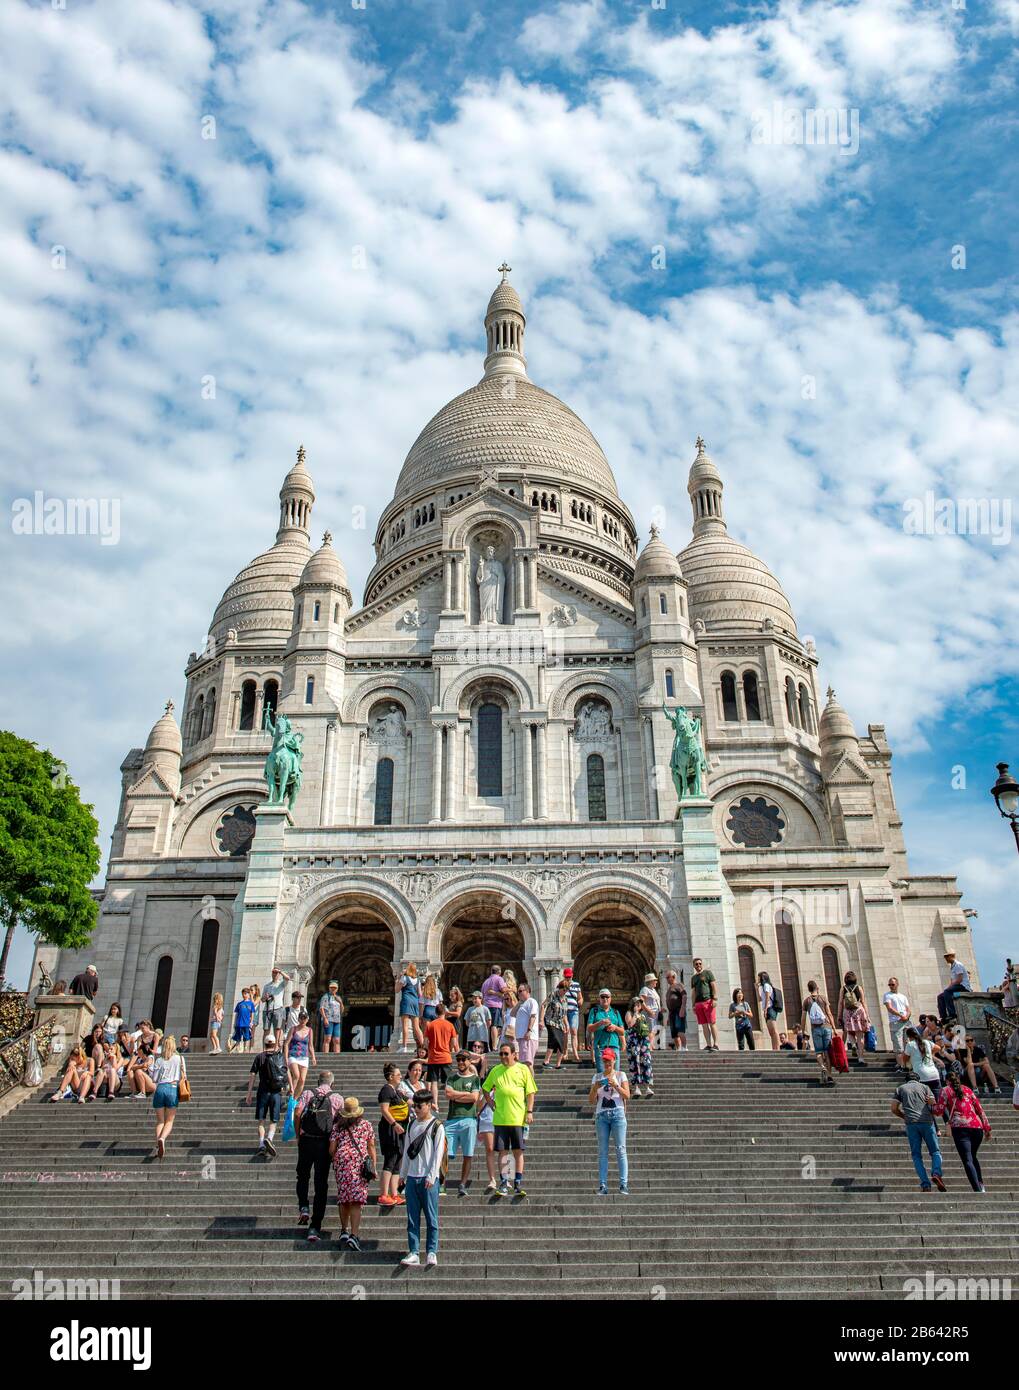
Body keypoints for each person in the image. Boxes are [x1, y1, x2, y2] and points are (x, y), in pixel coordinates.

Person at [479, 1040, 537, 1198]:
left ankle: (517, 1182)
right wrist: (490, 1103)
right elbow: (485, 1088)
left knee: (518, 1151)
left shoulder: (523, 1069)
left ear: (514, 1054)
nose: (503, 1056)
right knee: (503, 1152)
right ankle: (504, 1182)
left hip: (518, 1118)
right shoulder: (496, 1070)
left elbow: (530, 1092)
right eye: (501, 1054)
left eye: (506, 1053)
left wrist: (529, 1112)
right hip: (500, 1119)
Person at [399, 1090, 447, 1267]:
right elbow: (406, 1151)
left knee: (431, 1217)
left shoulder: (437, 1126)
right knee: (412, 1218)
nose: (416, 1109)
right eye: (415, 1106)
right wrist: (402, 1174)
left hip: (428, 1178)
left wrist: (433, 1175)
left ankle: (432, 1251)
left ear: (429, 1105)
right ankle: (414, 1251)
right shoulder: (411, 1125)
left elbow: (438, 1153)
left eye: (419, 1106)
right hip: (412, 1176)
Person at [294, 1069, 343, 1242]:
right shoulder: (337, 1098)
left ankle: (303, 1207)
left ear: (318, 1081)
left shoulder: (307, 1093)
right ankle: (315, 1226)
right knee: (321, 1183)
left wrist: (298, 1135)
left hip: (306, 1140)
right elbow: (341, 1122)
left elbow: (298, 1113)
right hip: (325, 1143)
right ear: (332, 1083)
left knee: (302, 1175)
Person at [329, 1097, 377, 1251]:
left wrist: (338, 1158)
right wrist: (374, 1166)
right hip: (359, 1163)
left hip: (342, 1162)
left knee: (344, 1197)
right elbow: (371, 1147)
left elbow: (331, 1149)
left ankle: (344, 1230)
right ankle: (354, 1235)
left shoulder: (337, 1127)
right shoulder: (366, 1125)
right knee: (356, 1200)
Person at [936, 1061, 992, 1192]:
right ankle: (981, 1185)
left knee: (967, 1159)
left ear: (946, 1080)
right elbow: (980, 1109)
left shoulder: (945, 1091)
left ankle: (977, 1189)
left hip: (960, 1128)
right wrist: (987, 1128)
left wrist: (930, 1103)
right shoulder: (967, 1090)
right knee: (973, 1156)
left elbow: (938, 1111)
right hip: (977, 1127)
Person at [891, 1075, 946, 1191]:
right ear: (918, 1080)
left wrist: (904, 1116)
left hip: (911, 1124)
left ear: (906, 1080)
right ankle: (936, 1173)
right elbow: (932, 1102)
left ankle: (925, 1184)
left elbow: (894, 1108)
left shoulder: (900, 1089)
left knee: (916, 1155)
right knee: (935, 1152)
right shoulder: (925, 1087)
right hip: (927, 1122)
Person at [589, 1047, 630, 1195]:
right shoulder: (596, 1077)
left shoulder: (621, 1075)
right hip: (601, 1116)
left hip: (618, 1114)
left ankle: (623, 1184)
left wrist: (616, 1085)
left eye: (609, 1060)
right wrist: (595, 1088)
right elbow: (591, 1100)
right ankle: (602, 1185)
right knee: (603, 1152)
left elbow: (627, 1095)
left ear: (614, 1060)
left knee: (621, 1149)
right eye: (604, 1060)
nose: (607, 1063)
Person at [245, 1033, 288, 1159]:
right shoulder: (279, 1057)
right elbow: (286, 1072)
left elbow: (252, 1075)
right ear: (274, 1044)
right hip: (276, 1092)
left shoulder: (259, 1057)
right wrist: (289, 1087)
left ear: (264, 1044)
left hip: (263, 1092)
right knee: (274, 1120)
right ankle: (269, 1138)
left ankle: (261, 1145)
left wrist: (249, 1093)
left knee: (261, 1120)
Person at [444, 1051, 481, 1197]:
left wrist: (456, 1095)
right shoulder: (451, 1078)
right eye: (458, 1059)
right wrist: (465, 1095)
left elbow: (474, 1098)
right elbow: (448, 1095)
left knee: (468, 1154)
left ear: (469, 1061)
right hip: (452, 1119)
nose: (460, 1062)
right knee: (444, 1153)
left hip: (469, 1119)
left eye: (463, 1060)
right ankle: (442, 1184)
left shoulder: (475, 1079)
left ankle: (462, 1184)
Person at [150, 1034, 186, 1159]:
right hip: (172, 1088)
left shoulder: (159, 1060)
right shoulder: (179, 1058)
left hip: (160, 1088)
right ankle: (162, 1138)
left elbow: (154, 1078)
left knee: (160, 1121)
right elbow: (184, 1077)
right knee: (169, 1121)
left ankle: (157, 1145)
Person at [377, 1062, 408, 1207]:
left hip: (400, 1129)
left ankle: (394, 1193)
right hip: (391, 1129)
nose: (400, 1076)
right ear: (390, 1077)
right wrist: (394, 1124)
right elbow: (384, 1110)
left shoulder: (397, 1091)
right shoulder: (386, 1090)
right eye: (397, 1074)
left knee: (398, 1162)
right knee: (391, 1159)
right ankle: (383, 1194)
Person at [801, 981, 837, 1085]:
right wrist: (834, 1028)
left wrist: (803, 1031)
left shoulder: (806, 1001)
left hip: (815, 1029)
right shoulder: (823, 998)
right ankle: (830, 1076)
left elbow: (803, 1018)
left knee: (818, 1052)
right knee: (827, 1052)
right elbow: (829, 1013)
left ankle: (822, 1067)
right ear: (817, 987)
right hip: (826, 1027)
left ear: (809, 989)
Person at [424, 1001, 459, 1110]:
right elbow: (454, 1041)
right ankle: (451, 1103)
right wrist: (450, 1049)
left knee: (434, 1082)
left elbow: (425, 1042)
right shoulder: (450, 1025)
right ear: (445, 1012)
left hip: (433, 1057)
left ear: (436, 1012)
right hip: (445, 1056)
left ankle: (436, 1104)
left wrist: (430, 1048)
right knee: (449, 1082)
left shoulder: (430, 1025)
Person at [587, 988, 625, 1076]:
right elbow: (589, 1029)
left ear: (610, 998)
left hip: (614, 1046)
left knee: (615, 1076)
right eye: (602, 997)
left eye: (607, 997)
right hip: (600, 1047)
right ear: (599, 999)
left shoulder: (616, 1012)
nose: (605, 999)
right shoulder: (594, 1011)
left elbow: (623, 1032)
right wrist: (600, 1023)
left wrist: (614, 1027)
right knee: (602, 1075)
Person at [902, 1026, 943, 1103]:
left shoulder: (910, 1044)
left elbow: (905, 1058)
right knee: (938, 1102)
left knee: (923, 1102)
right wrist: (930, 1053)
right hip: (934, 1074)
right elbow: (938, 1048)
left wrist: (904, 1065)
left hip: (921, 1075)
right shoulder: (926, 1042)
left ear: (909, 1036)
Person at [837, 971, 870, 1066]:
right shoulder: (859, 988)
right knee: (860, 1036)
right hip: (859, 1011)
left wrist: (839, 1016)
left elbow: (840, 1003)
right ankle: (861, 1058)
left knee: (850, 1032)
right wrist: (867, 1015)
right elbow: (863, 1002)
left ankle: (853, 1044)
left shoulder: (843, 989)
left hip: (848, 1012)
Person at [624, 995, 655, 1094]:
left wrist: (650, 1043)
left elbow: (646, 1029)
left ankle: (647, 1086)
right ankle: (636, 1086)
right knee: (635, 1061)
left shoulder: (643, 1016)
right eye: (636, 1003)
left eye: (639, 1003)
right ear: (632, 1004)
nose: (638, 1005)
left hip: (643, 1041)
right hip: (633, 1040)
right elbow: (630, 1024)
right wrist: (635, 1014)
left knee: (646, 1061)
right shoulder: (629, 1013)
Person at [285, 1010, 316, 1098]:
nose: (303, 1020)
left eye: (304, 1018)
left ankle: (294, 1099)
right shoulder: (293, 1029)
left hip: (304, 1056)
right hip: (293, 1055)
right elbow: (287, 1043)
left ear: (307, 1019)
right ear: (298, 1019)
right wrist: (286, 1057)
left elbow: (310, 1045)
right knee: (296, 1075)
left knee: (302, 1080)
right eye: (301, 1018)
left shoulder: (310, 1030)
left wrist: (313, 1057)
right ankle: (291, 1094)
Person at [690, 958, 719, 1051]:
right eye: (696, 964)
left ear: (702, 964)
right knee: (704, 1025)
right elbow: (693, 992)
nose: (698, 965)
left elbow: (713, 985)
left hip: (708, 1001)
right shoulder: (693, 978)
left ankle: (716, 1044)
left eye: (700, 964)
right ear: (694, 966)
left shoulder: (707, 973)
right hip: (698, 1003)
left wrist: (714, 998)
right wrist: (693, 1005)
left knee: (712, 1023)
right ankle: (709, 1044)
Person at [540, 979, 569, 1070]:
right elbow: (543, 1005)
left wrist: (566, 1024)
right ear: (559, 988)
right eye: (564, 989)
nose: (565, 992)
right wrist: (541, 1020)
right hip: (550, 1020)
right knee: (554, 1038)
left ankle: (557, 1064)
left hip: (559, 1023)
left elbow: (564, 1014)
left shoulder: (565, 999)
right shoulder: (553, 995)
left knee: (561, 1042)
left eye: (567, 990)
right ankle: (546, 1061)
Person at [937, 952, 972, 1022]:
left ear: (951, 956)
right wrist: (947, 989)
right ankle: (943, 1017)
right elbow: (952, 982)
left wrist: (948, 989)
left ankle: (952, 1014)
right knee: (940, 996)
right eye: (945, 957)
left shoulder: (958, 965)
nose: (945, 958)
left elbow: (959, 979)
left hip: (963, 987)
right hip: (957, 986)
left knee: (947, 992)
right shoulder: (952, 967)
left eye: (947, 956)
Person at [396, 963, 422, 1052]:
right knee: (416, 1027)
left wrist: (398, 977)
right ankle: (423, 1047)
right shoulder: (418, 980)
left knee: (405, 1025)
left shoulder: (404, 978)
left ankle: (404, 1046)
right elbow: (420, 994)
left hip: (406, 1001)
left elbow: (397, 990)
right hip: (415, 1002)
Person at [513, 981, 540, 1071]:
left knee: (527, 1063)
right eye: (518, 991)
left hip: (528, 1037)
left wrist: (529, 1031)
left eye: (521, 991)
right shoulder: (522, 1004)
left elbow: (533, 1016)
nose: (518, 993)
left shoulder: (532, 1001)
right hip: (521, 1037)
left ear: (527, 991)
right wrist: (519, 1002)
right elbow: (512, 1013)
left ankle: (531, 1085)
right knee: (524, 1064)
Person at [882, 978, 911, 1057]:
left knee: (908, 1044)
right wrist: (900, 1015)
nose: (891, 986)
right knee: (898, 1045)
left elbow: (908, 1009)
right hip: (895, 1021)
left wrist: (906, 1016)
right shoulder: (887, 995)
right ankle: (901, 1065)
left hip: (906, 1022)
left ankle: (907, 1065)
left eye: (893, 984)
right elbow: (889, 1008)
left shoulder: (903, 996)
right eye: (889, 985)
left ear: (897, 984)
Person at [262, 966, 291, 1043]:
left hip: (278, 1009)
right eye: (273, 972)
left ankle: (276, 1048)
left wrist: (280, 971)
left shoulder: (281, 984)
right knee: (266, 1030)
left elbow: (288, 978)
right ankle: (265, 1048)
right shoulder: (267, 986)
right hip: (267, 1010)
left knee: (277, 1029)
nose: (274, 974)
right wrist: (266, 997)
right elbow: (262, 1000)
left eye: (276, 972)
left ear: (278, 974)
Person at [481, 966, 506, 1051]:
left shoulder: (485, 982)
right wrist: (511, 989)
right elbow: (503, 989)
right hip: (495, 1005)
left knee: (490, 1026)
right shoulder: (499, 979)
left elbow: (482, 995)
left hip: (486, 1005)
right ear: (499, 972)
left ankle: (487, 1046)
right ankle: (494, 1047)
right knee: (494, 1026)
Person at [563, 967, 584, 1062]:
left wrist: (580, 1001)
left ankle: (575, 1052)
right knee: (565, 1031)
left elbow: (580, 997)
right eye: (567, 977)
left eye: (569, 977)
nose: (568, 978)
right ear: (564, 976)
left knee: (574, 1031)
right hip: (564, 1012)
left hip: (574, 1010)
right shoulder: (561, 985)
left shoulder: (576, 985)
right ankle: (565, 1052)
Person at [318, 980, 344, 1055]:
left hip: (337, 1020)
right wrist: (325, 1018)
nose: (333, 989)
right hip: (329, 1019)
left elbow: (341, 1010)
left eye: (335, 988)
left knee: (337, 1040)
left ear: (337, 989)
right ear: (329, 988)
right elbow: (321, 1008)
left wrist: (340, 1002)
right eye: (332, 987)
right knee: (328, 1038)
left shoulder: (338, 997)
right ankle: (325, 1056)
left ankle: (337, 1056)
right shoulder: (325, 996)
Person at [757, 971, 781, 1051]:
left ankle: (777, 1048)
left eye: (759, 977)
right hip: (767, 1009)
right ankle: (774, 1048)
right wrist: (756, 989)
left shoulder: (766, 985)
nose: (757, 979)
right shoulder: (763, 987)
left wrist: (766, 1009)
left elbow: (767, 997)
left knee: (774, 1029)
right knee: (771, 1032)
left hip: (770, 1009)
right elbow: (759, 999)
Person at [664, 970, 687, 1050]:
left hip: (678, 1010)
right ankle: (678, 1049)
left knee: (680, 1030)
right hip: (671, 1013)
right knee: (674, 1033)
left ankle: (684, 1048)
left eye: (667, 977)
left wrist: (682, 1008)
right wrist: (668, 1017)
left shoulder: (678, 985)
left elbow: (684, 996)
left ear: (673, 977)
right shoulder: (669, 988)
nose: (666, 979)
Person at [229, 987, 256, 1054]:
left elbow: (252, 1013)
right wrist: (235, 1023)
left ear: (249, 994)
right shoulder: (239, 1004)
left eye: (246, 993)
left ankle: (245, 1049)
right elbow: (236, 1014)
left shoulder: (251, 1004)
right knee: (238, 1037)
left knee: (246, 1037)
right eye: (243, 994)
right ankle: (237, 1049)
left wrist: (251, 1022)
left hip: (246, 1024)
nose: (244, 995)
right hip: (239, 1023)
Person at [639, 974, 661, 1049]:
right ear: (651, 981)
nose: (656, 982)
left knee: (654, 1030)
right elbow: (641, 1000)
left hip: (655, 1013)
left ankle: (651, 1046)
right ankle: (649, 1048)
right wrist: (649, 1011)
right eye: (655, 980)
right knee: (651, 1031)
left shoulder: (653, 990)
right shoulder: (645, 989)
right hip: (649, 1013)